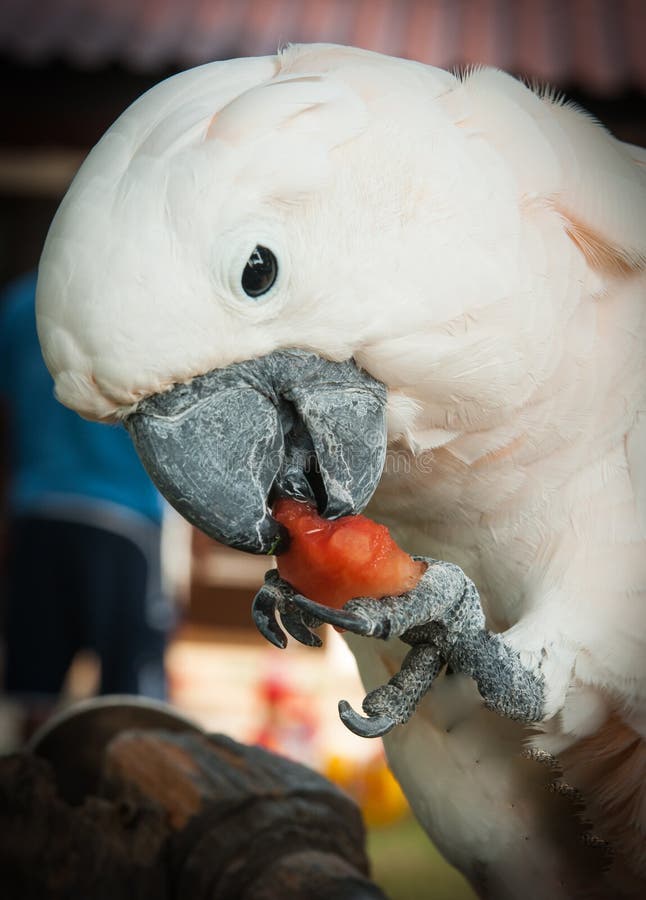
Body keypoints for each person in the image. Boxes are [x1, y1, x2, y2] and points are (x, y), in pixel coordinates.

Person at [0, 270, 173, 710]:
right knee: (129, 700)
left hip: (38, 512)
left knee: (35, 695)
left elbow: (7, 415)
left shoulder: (22, 305)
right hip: (123, 519)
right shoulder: (144, 302)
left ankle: (38, 760)